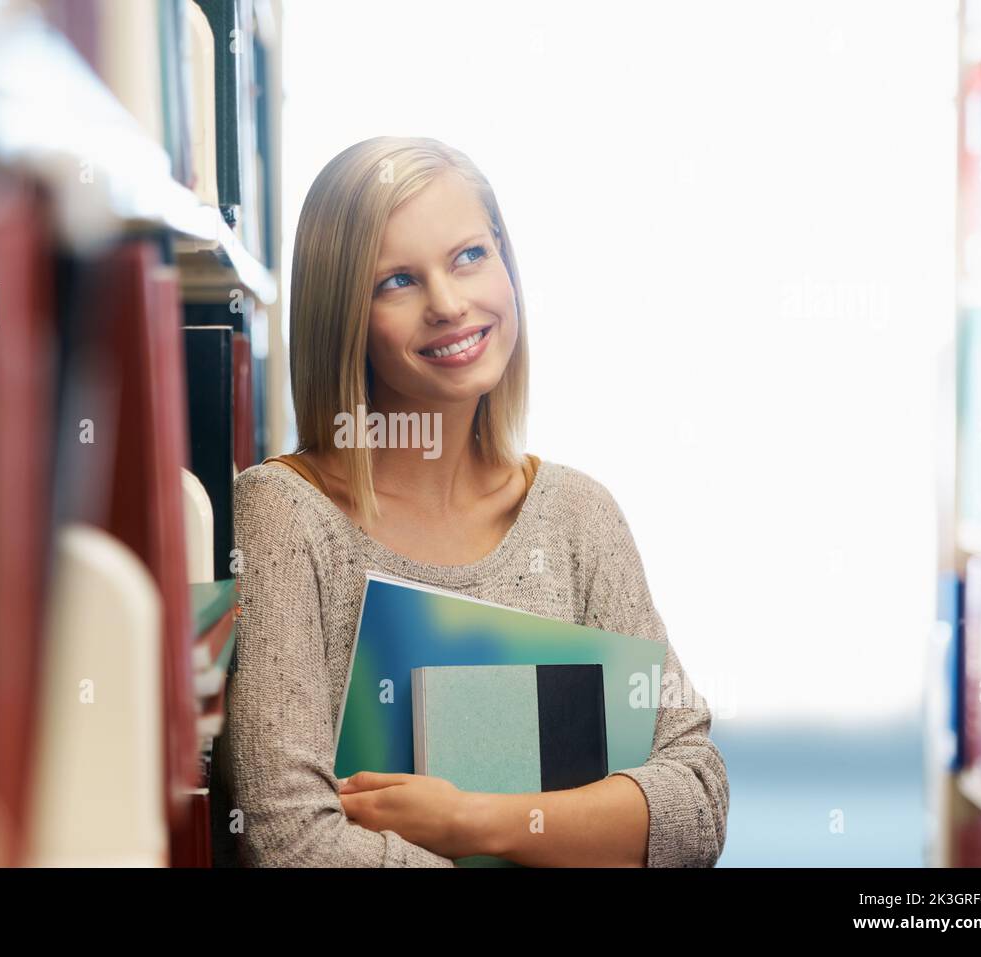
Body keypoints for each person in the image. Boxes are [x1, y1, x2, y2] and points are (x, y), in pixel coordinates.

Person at [210, 135, 728, 867]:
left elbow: (695, 802)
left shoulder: (578, 515)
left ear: (507, 264)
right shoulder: (283, 516)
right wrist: (580, 830)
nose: (449, 305)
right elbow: (292, 843)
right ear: (342, 317)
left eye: (468, 257)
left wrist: (471, 821)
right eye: (396, 281)